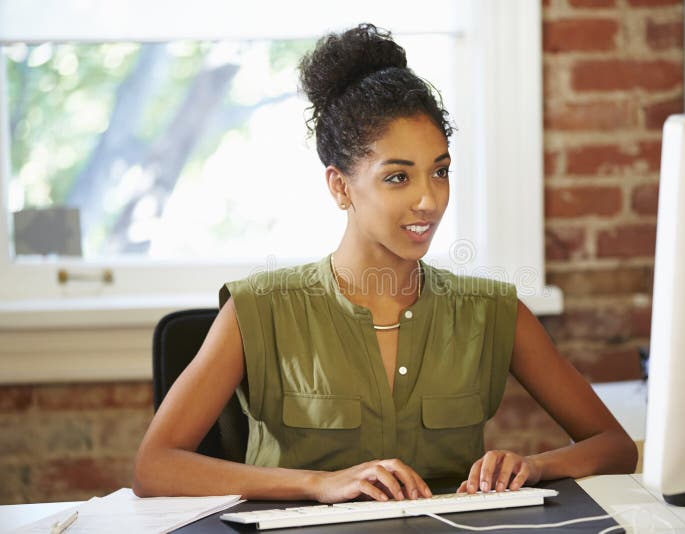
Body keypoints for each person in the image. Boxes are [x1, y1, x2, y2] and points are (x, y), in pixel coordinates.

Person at [133, 23, 637, 503]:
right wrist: (316, 484)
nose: (429, 201)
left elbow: (614, 446)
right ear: (340, 186)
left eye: (440, 172)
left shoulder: (492, 312)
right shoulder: (259, 310)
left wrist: (535, 466)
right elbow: (155, 465)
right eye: (398, 178)